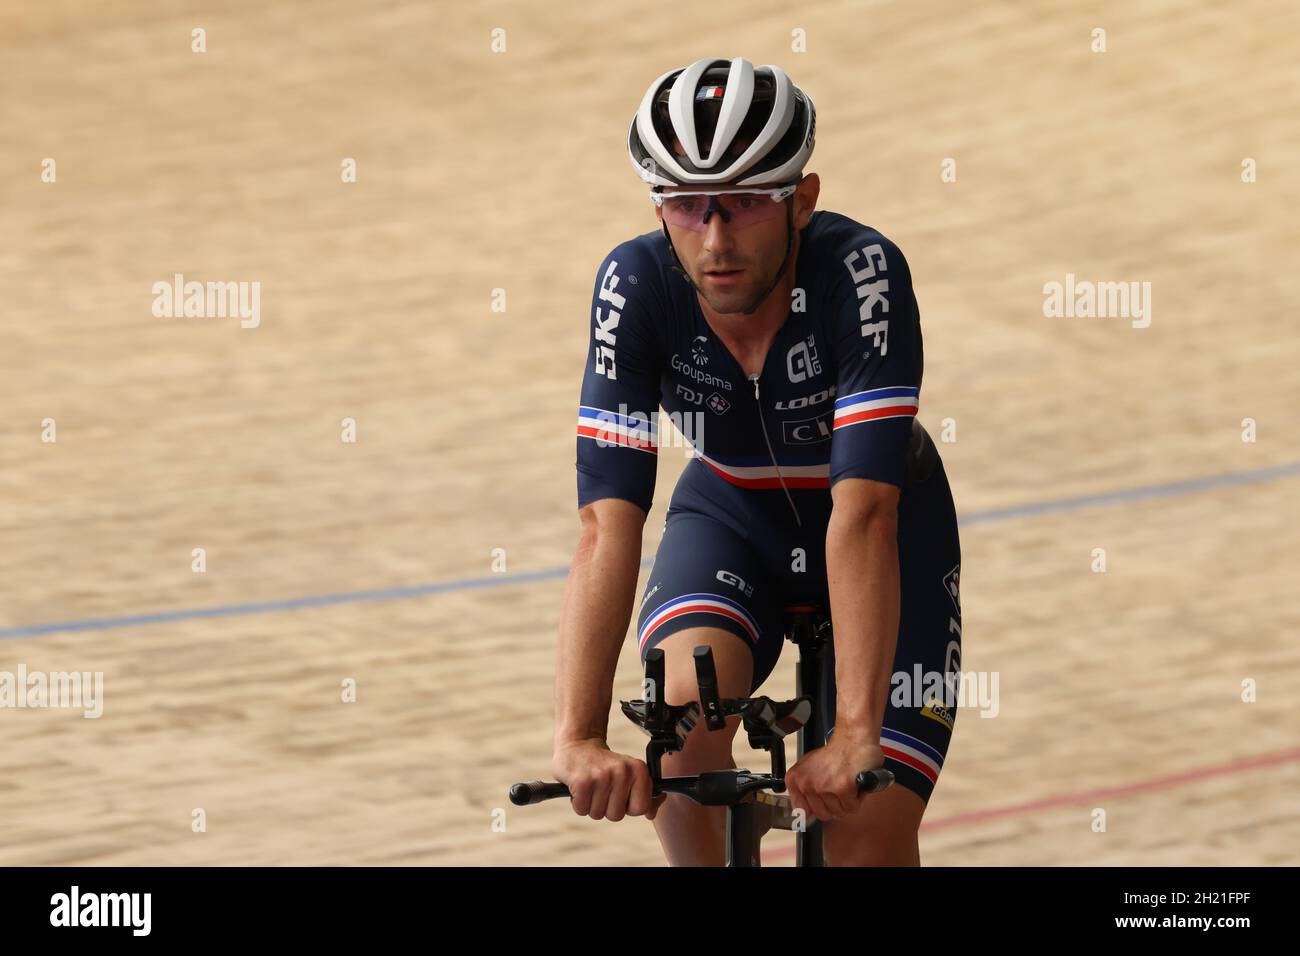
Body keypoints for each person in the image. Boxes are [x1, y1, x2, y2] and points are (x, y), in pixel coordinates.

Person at [551, 57, 962, 866]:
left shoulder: (860, 272)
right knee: (680, 722)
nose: (715, 240)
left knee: (866, 838)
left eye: (743, 205)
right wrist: (578, 736)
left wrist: (852, 735)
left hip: (885, 523)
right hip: (732, 517)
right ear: (658, 208)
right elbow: (607, 523)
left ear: (801, 200)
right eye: (686, 207)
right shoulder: (634, 285)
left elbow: (867, 512)